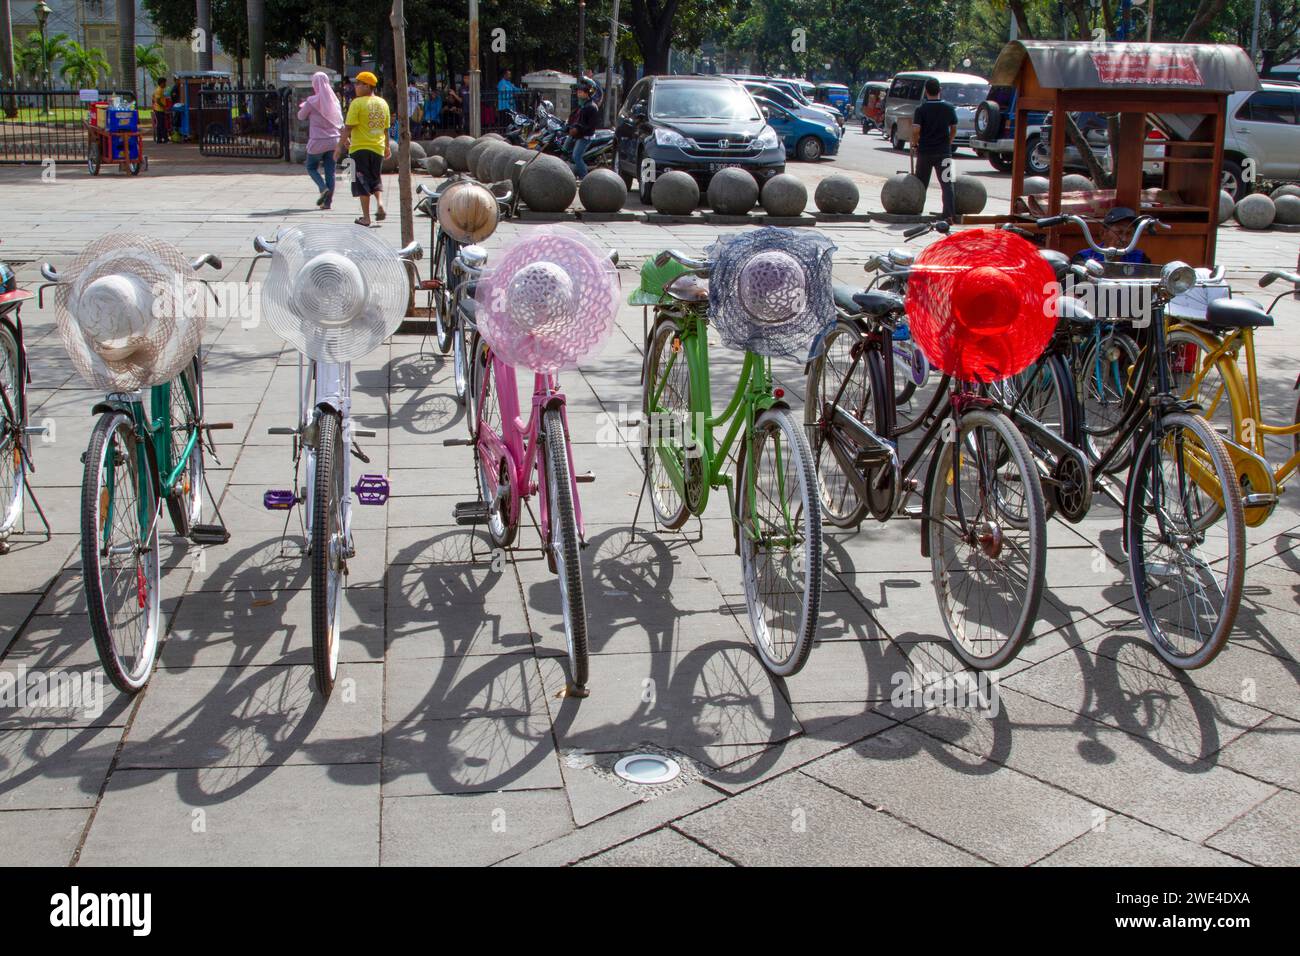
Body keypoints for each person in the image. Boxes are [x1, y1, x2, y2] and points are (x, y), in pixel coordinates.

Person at [336, 71, 391, 226]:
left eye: (359, 83)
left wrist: (339, 147)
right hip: (378, 148)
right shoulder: (383, 103)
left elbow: (348, 128)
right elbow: (385, 129)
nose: (356, 86)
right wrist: (387, 146)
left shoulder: (357, 103)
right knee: (375, 178)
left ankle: (366, 217)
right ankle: (380, 203)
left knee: (361, 181)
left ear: (367, 86)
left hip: (359, 148)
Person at [910, 77, 958, 222]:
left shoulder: (921, 109)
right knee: (947, 183)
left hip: (925, 151)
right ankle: (949, 214)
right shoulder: (949, 108)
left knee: (921, 183)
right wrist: (948, 142)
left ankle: (917, 210)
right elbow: (954, 128)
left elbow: (916, 130)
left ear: (926, 91)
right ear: (940, 91)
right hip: (944, 151)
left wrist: (914, 144)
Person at [299, 70, 343, 210]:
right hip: (334, 141)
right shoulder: (335, 101)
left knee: (311, 167)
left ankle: (323, 187)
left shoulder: (312, 101)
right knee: (331, 171)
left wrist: (304, 106)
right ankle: (327, 203)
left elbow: (301, 116)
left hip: (318, 141)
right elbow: (340, 121)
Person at [567, 82, 600, 179]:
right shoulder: (583, 106)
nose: (578, 94)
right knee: (574, 156)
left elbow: (589, 125)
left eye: (581, 92)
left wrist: (577, 129)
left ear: (586, 94)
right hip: (581, 135)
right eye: (578, 92)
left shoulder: (591, 107)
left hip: (586, 136)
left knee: (576, 156)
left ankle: (585, 177)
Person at [151, 78, 169, 143]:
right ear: (161, 83)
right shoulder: (159, 90)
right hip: (159, 110)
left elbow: (153, 97)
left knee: (160, 124)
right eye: (164, 83)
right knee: (161, 124)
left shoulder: (160, 89)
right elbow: (158, 100)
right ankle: (163, 138)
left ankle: (160, 139)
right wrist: (164, 106)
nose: (165, 84)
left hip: (158, 109)